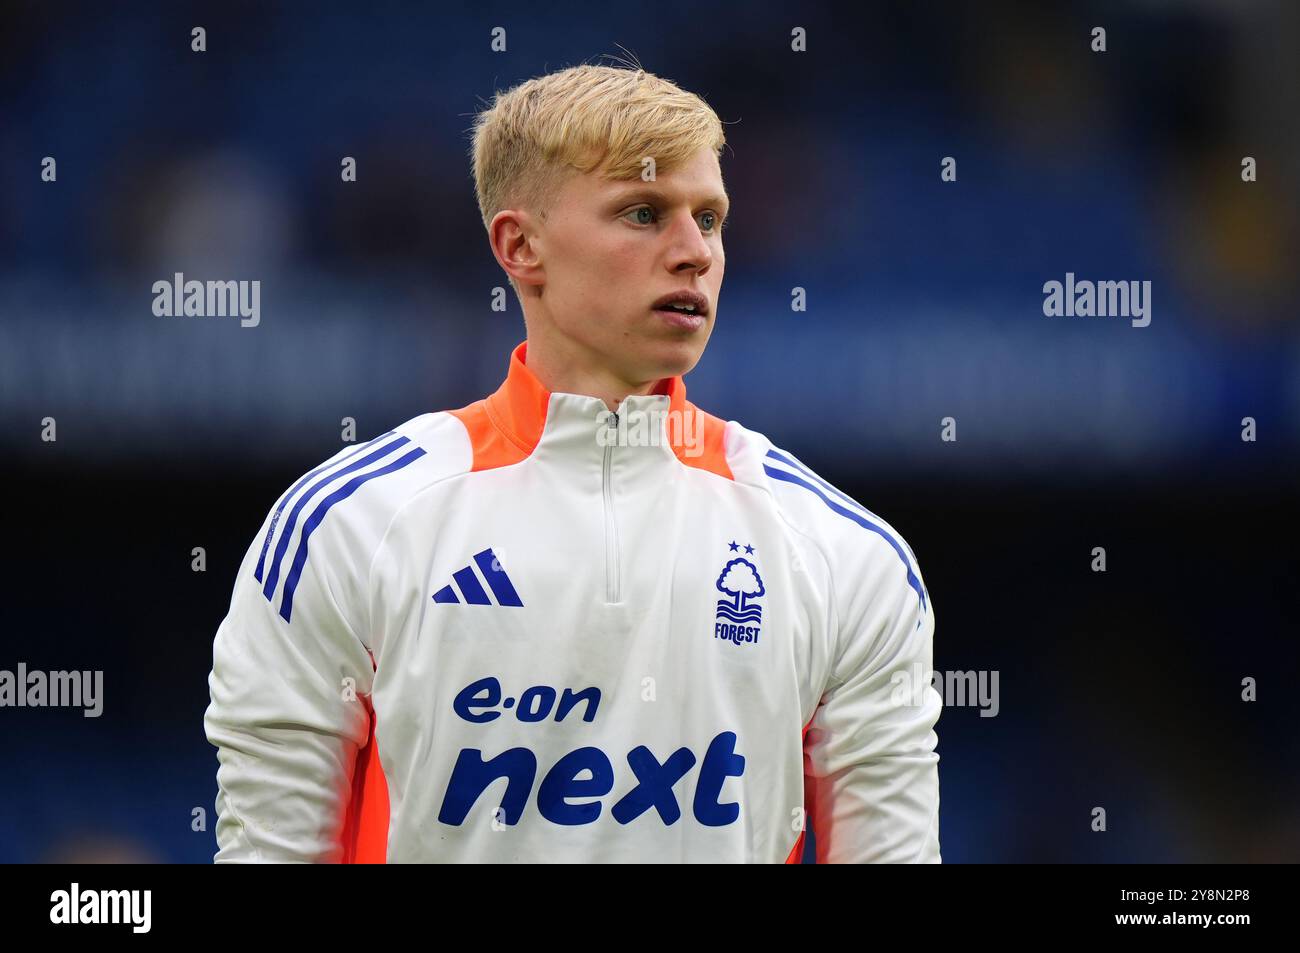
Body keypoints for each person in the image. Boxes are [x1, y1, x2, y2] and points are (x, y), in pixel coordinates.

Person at [204, 62, 941, 863]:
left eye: (712, 219)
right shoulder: (347, 528)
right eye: (643, 212)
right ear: (520, 245)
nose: (695, 252)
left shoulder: (845, 556)